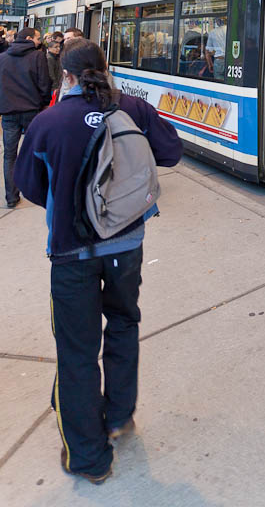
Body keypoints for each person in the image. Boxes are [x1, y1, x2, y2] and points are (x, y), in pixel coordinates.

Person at [14, 39, 182, 484]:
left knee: (77, 350)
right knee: (125, 322)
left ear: (66, 76)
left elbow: (29, 187)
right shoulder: (133, 109)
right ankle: (119, 415)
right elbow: (170, 154)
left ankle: (89, 458)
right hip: (127, 246)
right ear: (104, 69)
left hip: (70, 253)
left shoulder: (48, 123)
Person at [0, 26, 51, 208]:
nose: (40, 41)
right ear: (29, 39)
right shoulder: (37, 57)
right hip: (32, 111)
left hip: (8, 113)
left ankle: (11, 197)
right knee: (33, 151)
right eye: (38, 38)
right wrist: (44, 102)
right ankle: (35, 190)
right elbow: (44, 83)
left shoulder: (2, 58)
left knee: (9, 156)